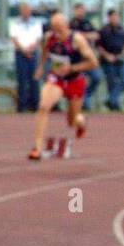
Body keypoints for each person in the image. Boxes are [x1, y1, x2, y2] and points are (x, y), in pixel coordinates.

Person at [29, 12, 96, 161]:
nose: (57, 33)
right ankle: (37, 147)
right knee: (43, 106)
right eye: (54, 29)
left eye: (60, 29)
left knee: (71, 121)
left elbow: (93, 62)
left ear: (66, 26)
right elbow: (44, 52)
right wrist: (40, 67)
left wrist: (72, 68)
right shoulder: (48, 38)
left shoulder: (77, 39)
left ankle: (81, 122)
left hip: (75, 80)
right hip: (56, 78)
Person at [8, 2, 43, 113]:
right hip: (20, 54)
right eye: (23, 10)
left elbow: (38, 39)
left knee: (35, 80)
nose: (26, 12)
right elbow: (14, 39)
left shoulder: (36, 23)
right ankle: (21, 107)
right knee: (21, 80)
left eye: (27, 10)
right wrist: (24, 51)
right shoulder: (15, 23)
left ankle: (35, 105)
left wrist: (32, 49)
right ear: (20, 11)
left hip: (33, 53)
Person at [98, 9, 124, 111]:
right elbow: (99, 46)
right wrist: (107, 56)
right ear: (109, 17)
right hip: (107, 61)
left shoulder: (122, 29)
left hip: (120, 60)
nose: (115, 18)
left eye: (117, 16)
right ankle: (114, 104)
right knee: (112, 83)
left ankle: (110, 99)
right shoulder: (104, 30)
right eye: (113, 16)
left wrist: (122, 54)